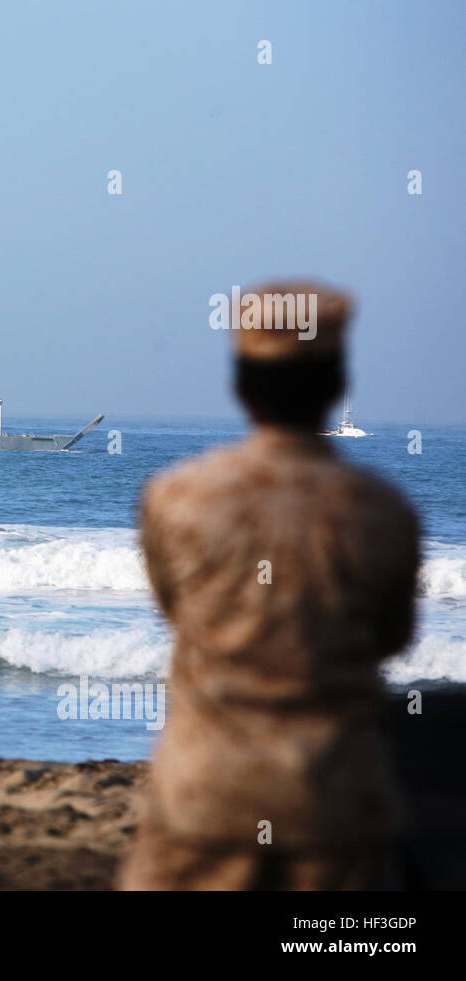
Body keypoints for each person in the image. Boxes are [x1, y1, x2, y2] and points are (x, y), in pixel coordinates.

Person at [118, 281, 420, 890]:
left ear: (240, 385)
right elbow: (390, 638)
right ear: (337, 384)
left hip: (205, 797)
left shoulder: (176, 496)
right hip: (333, 804)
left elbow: (178, 613)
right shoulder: (384, 510)